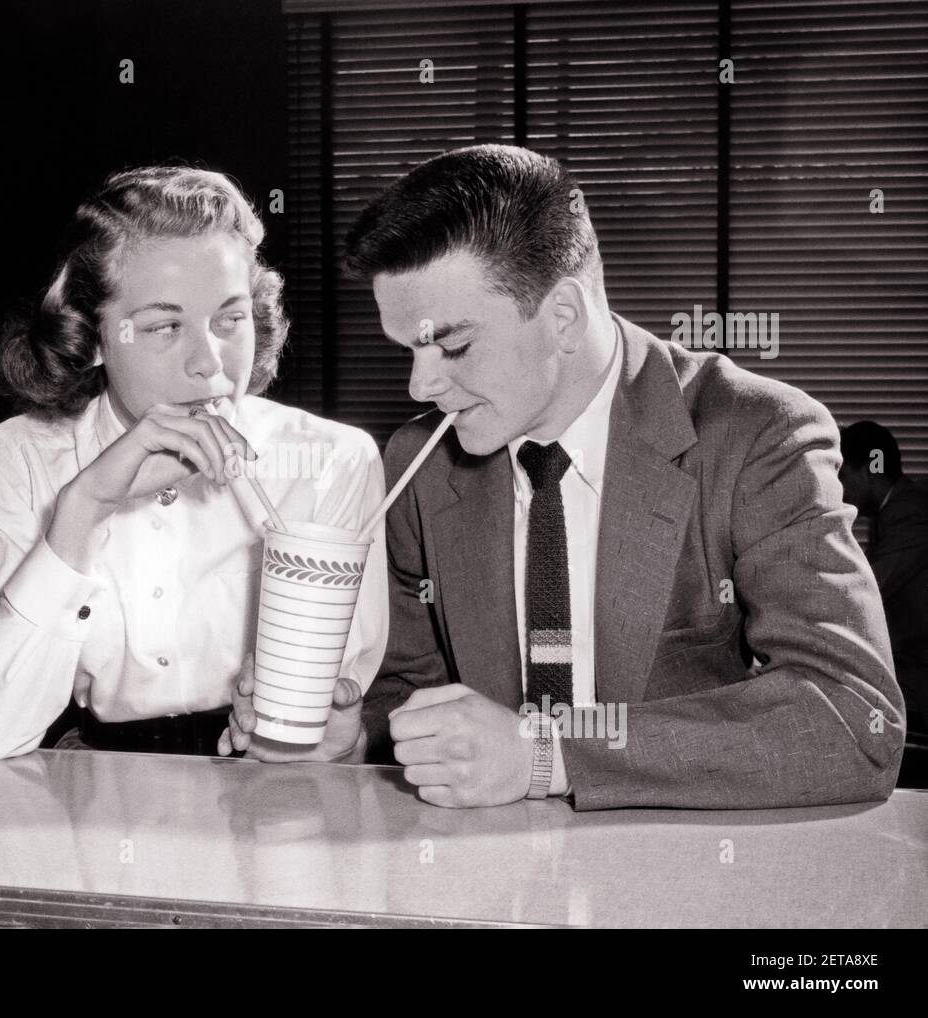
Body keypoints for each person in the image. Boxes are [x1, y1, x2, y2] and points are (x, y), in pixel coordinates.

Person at [222, 144, 905, 810]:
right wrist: (358, 737)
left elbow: (850, 717)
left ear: (564, 317)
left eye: (452, 346)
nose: (422, 383)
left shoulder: (755, 435)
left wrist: (548, 754)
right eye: (409, 349)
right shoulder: (418, 464)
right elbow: (407, 692)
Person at [0, 166, 387, 759]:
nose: (210, 363)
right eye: (165, 326)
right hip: (89, 804)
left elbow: (330, 720)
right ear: (91, 334)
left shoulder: (332, 462)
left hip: (270, 798)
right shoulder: (17, 458)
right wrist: (84, 505)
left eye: (230, 319)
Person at [839, 421, 928, 733]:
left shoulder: (909, 515)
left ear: (870, 469)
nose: (838, 489)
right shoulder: (893, 512)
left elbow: (867, 590)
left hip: (917, 678)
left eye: (843, 475)